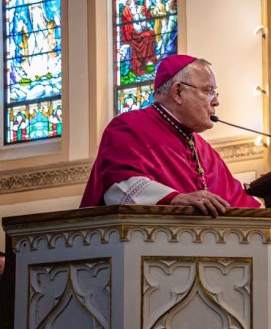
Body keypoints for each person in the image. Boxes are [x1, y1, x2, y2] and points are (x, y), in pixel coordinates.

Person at [81, 54, 261, 215]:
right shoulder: (128, 127)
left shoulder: (205, 150)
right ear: (178, 92)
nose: (216, 101)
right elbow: (119, 189)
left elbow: (239, 202)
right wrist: (175, 199)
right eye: (209, 91)